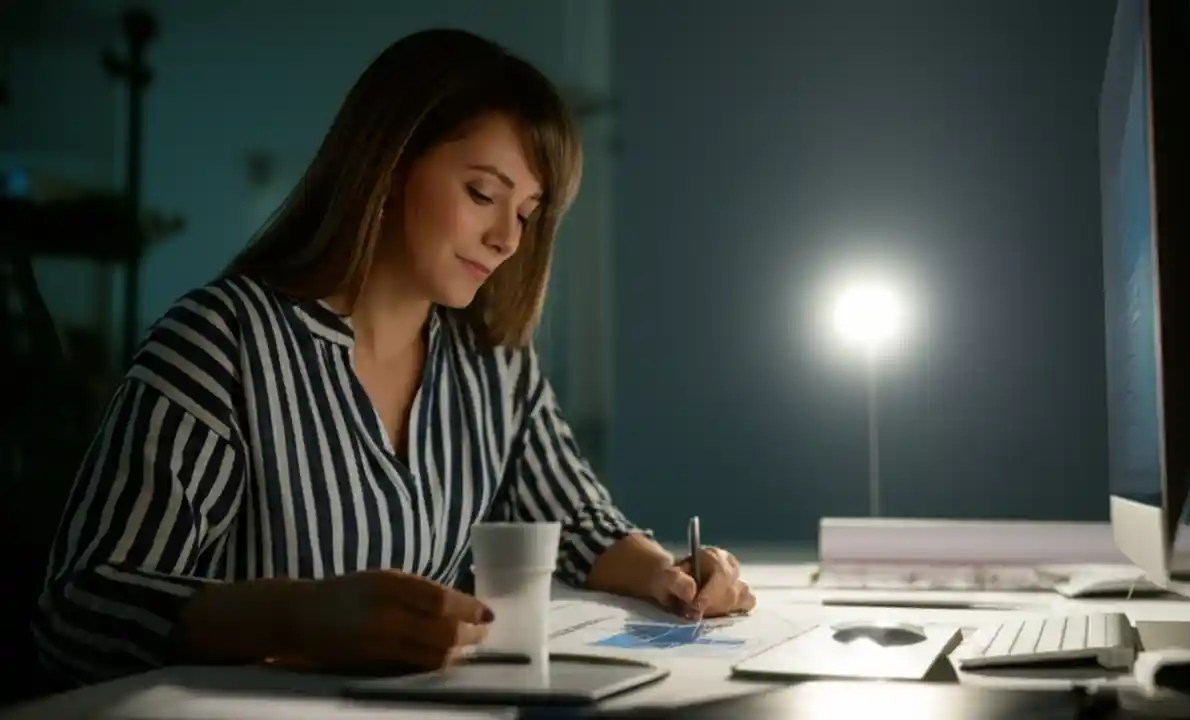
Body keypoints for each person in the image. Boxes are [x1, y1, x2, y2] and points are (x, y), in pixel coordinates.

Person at [33, 28, 755, 687]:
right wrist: (301, 616)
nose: (507, 239)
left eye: (526, 215)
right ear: (390, 165)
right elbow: (82, 606)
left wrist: (671, 575)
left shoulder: (493, 366)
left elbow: (574, 521)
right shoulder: (223, 343)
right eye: (482, 193)